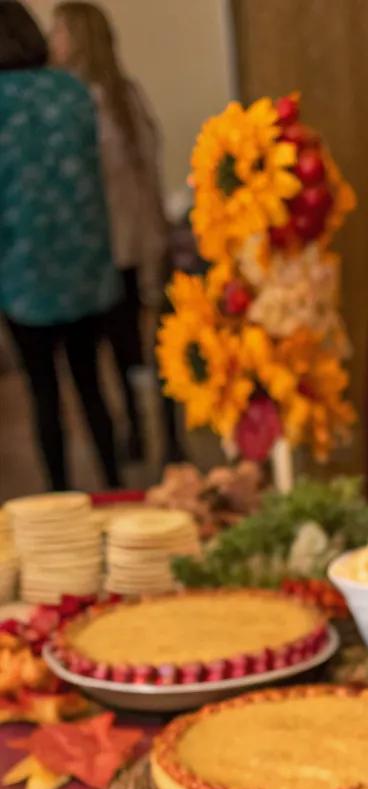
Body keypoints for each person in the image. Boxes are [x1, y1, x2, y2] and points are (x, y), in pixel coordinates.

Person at [0, 1, 121, 490]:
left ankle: (60, 501)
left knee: (43, 392)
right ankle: (116, 490)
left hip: (23, 275)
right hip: (87, 267)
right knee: (92, 386)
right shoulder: (71, 91)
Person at [50, 2, 168, 464]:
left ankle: (145, 434)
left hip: (119, 248)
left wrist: (155, 241)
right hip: (103, 249)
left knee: (131, 351)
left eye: (60, 32)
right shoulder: (69, 102)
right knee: (100, 357)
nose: (52, 42)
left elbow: (144, 178)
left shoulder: (115, 99)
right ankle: (124, 436)